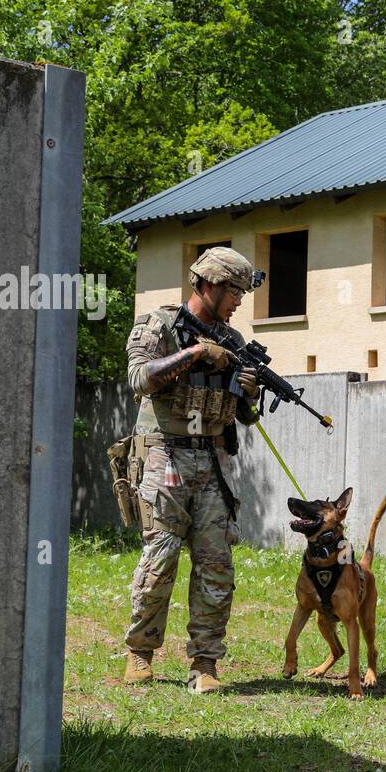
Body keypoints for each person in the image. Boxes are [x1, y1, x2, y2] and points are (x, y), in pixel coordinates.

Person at [121, 246, 263, 693]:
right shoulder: (158, 326)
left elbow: (244, 416)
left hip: (214, 461)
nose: (239, 301)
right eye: (236, 292)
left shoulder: (235, 342)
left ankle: (205, 664)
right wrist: (198, 353)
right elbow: (140, 378)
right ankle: (140, 654)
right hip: (166, 456)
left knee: (216, 564)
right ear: (211, 285)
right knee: (160, 557)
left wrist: (248, 391)